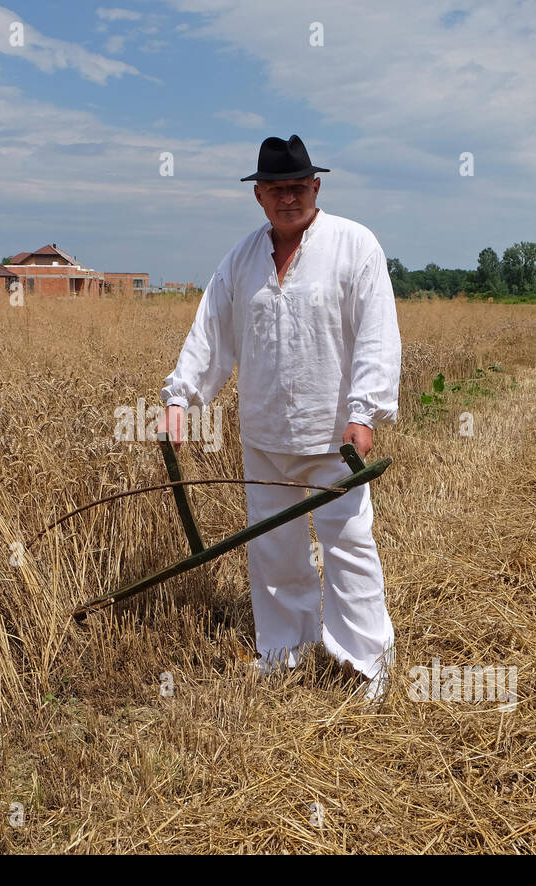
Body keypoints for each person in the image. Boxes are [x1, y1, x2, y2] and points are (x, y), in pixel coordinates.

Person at [160, 134, 401, 702]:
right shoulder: (240, 262)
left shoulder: (354, 246)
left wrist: (364, 413)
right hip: (264, 437)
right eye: (276, 190)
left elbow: (377, 334)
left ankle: (365, 666)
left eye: (298, 187)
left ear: (315, 188)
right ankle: (285, 652)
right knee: (274, 550)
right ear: (260, 196)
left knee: (349, 547)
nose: (288, 198)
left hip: (332, 438)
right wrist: (180, 399)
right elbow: (211, 334)